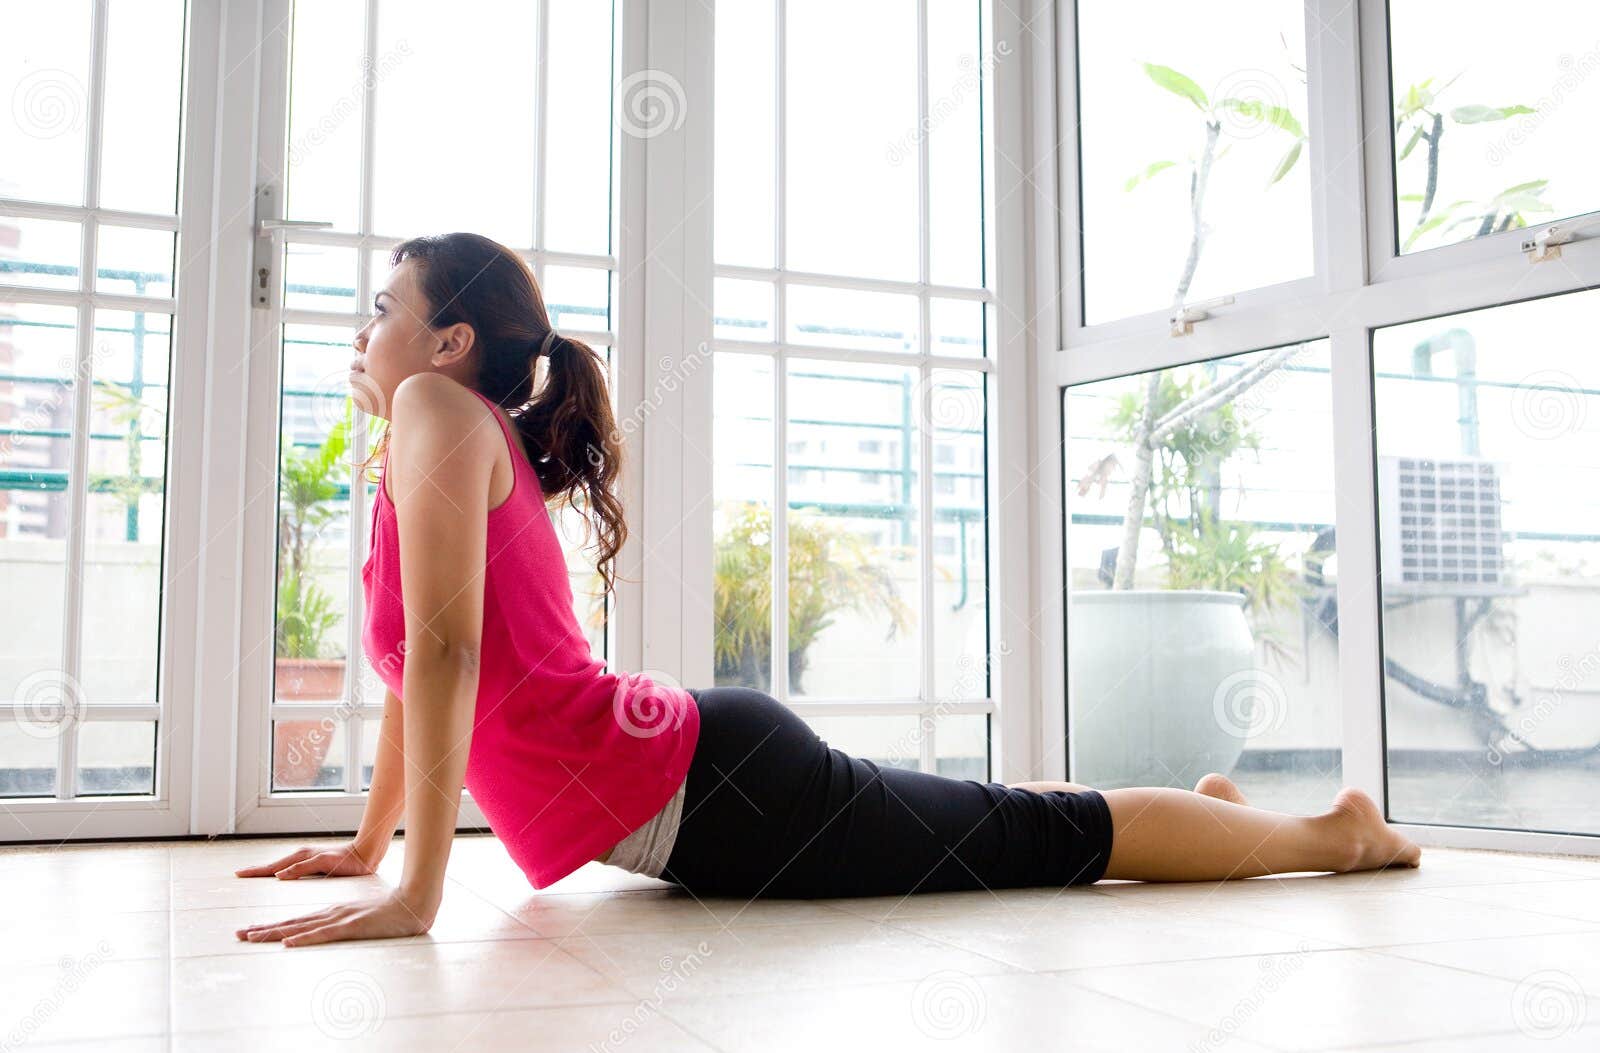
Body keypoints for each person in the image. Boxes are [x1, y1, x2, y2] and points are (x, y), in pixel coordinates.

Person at [234, 233, 1421, 948]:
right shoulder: (430, 435)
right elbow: (415, 666)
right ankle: (1210, 808)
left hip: (721, 791)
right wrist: (367, 842)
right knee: (998, 814)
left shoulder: (431, 413)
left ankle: (1334, 835)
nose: (363, 324)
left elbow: (447, 657)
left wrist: (418, 891)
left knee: (1044, 840)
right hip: (701, 772)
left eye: (384, 305)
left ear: (447, 344)